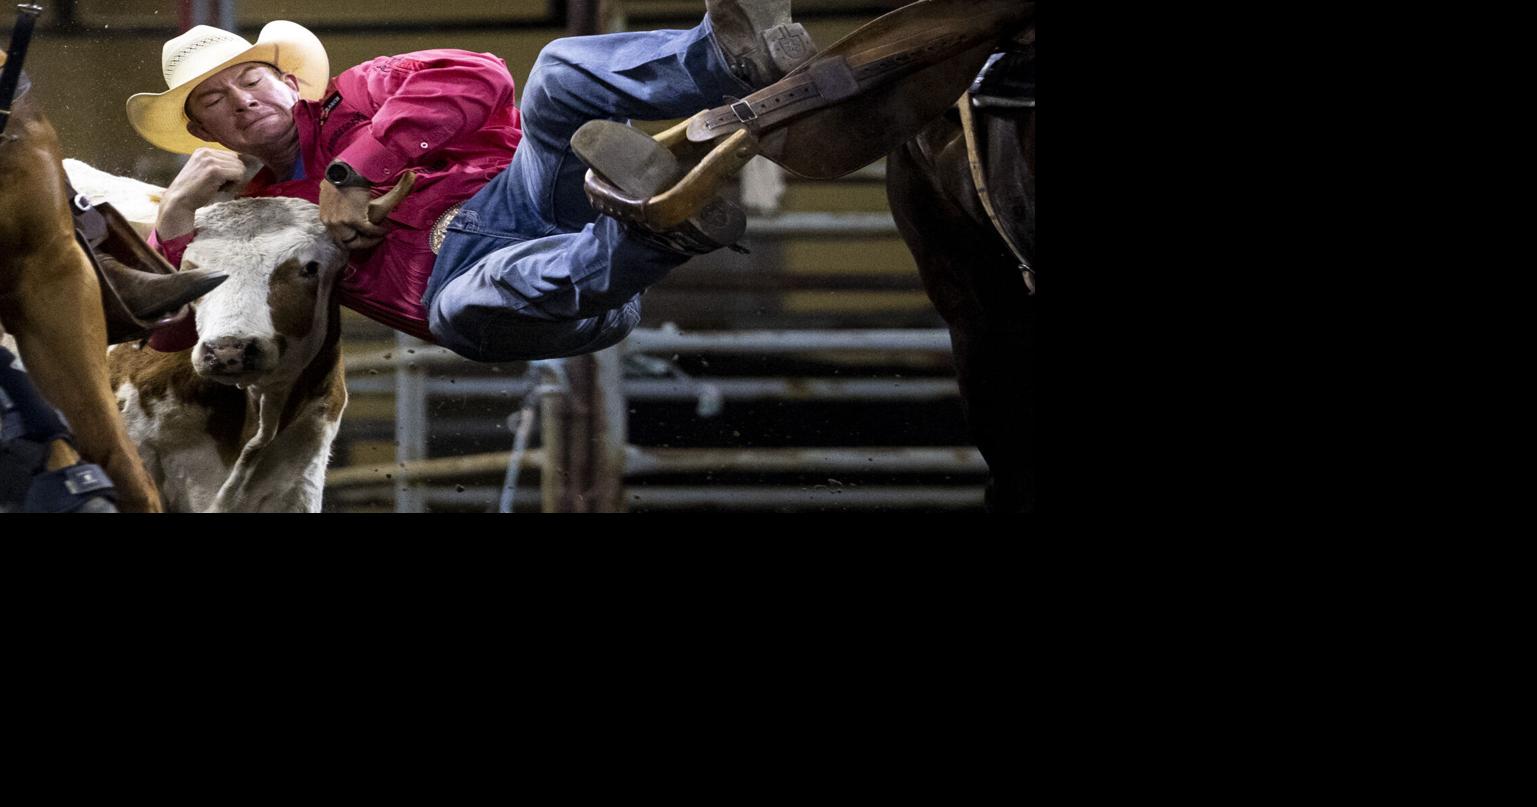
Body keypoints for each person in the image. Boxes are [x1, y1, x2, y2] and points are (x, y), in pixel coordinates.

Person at [126, 3, 817, 361]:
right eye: (214, 101)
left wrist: (352, 169)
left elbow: (478, 74)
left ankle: (724, 59)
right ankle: (654, 229)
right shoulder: (251, 219)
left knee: (556, 72)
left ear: (287, 81)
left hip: (522, 193)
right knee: (462, 309)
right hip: (487, 288)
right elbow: (171, 339)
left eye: (250, 79)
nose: (242, 100)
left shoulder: (363, 91)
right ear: (208, 137)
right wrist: (179, 212)